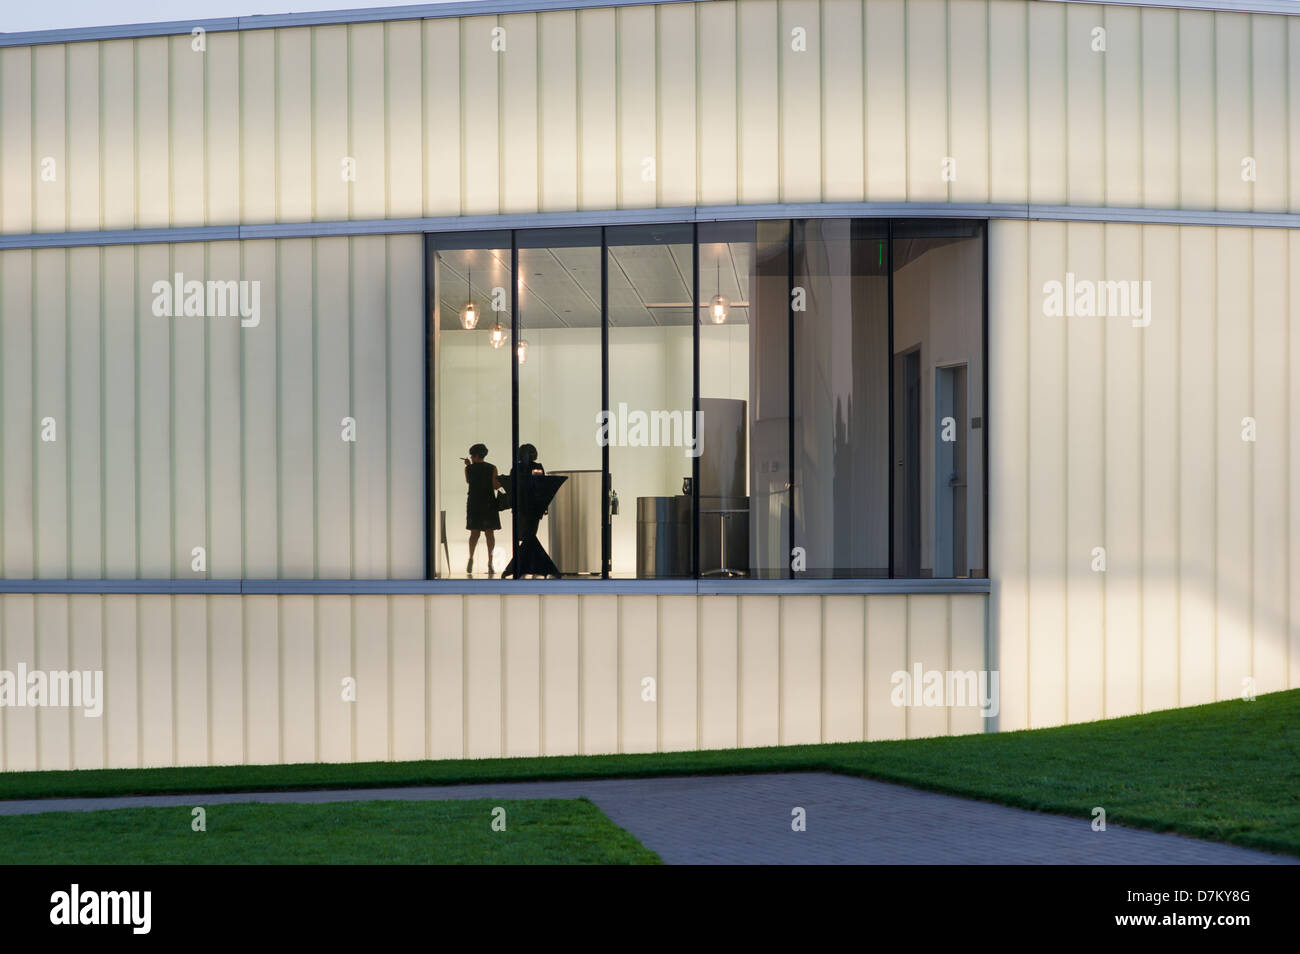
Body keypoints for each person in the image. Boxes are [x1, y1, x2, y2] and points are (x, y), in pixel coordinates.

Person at [463, 443, 501, 575]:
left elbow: (469, 481)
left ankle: (471, 557)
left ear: (475, 455)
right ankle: (490, 563)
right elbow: (495, 485)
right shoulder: (492, 468)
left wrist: (469, 466)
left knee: (474, 534)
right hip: (489, 502)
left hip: (474, 502)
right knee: (489, 534)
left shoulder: (468, 469)